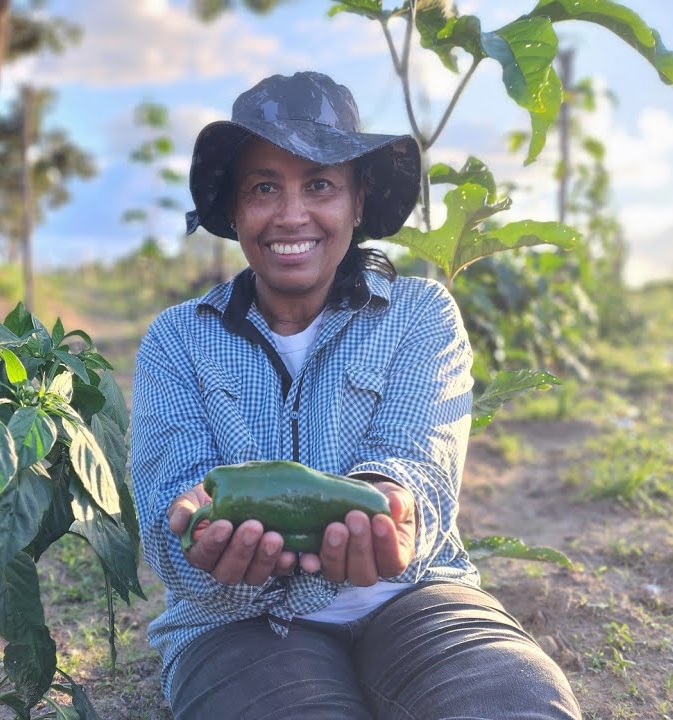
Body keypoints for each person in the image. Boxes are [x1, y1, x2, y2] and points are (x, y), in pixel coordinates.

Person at [128, 71, 581, 719]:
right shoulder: (177, 340)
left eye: (319, 184)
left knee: (517, 704)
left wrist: (387, 502)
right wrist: (198, 539)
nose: (291, 214)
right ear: (233, 209)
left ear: (358, 202)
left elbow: (415, 460)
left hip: (413, 596)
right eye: (263, 188)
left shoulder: (421, 315)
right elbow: (170, 514)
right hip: (236, 623)